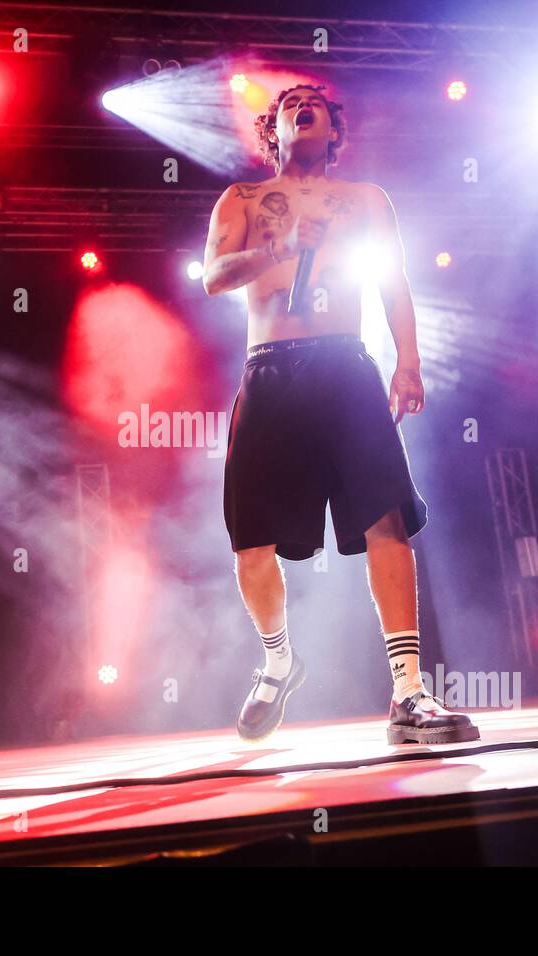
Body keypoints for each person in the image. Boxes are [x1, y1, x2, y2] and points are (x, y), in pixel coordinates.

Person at [201, 83, 479, 745]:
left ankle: (408, 692)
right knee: (251, 543)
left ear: (333, 130)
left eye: (314, 103)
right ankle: (278, 661)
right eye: (289, 103)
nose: (301, 106)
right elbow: (213, 277)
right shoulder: (241, 200)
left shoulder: (365, 199)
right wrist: (281, 247)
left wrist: (407, 360)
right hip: (270, 369)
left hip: (346, 366)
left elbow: (392, 282)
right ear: (272, 130)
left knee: (385, 519)